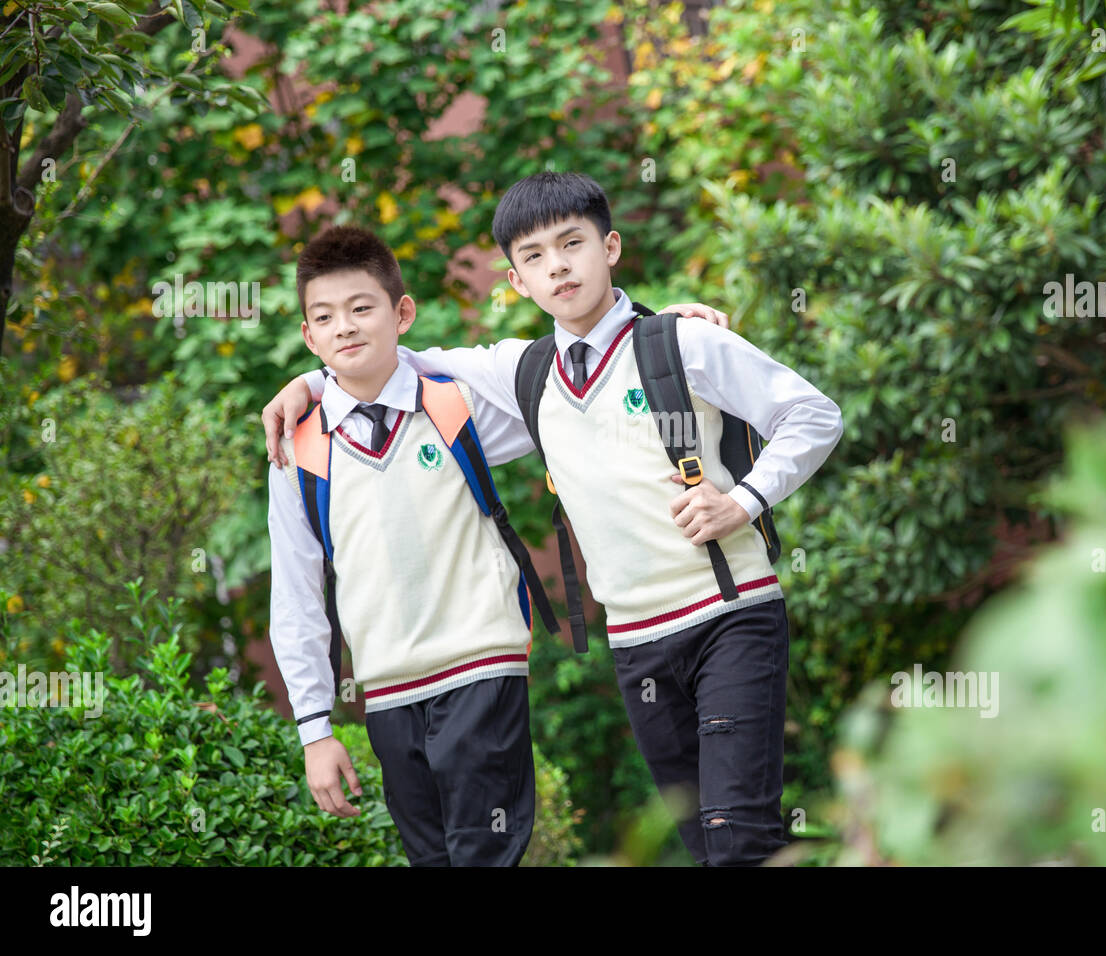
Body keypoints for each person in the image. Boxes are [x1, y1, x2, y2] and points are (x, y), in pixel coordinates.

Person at [263, 173, 843, 865]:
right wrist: (307, 384)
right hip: (636, 641)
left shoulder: (679, 343)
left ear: (612, 246)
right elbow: (389, 362)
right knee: (704, 841)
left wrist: (743, 500)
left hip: (731, 610)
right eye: (535, 256)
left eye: (573, 244)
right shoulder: (523, 376)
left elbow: (813, 414)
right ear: (515, 279)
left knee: (737, 834)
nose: (558, 266)